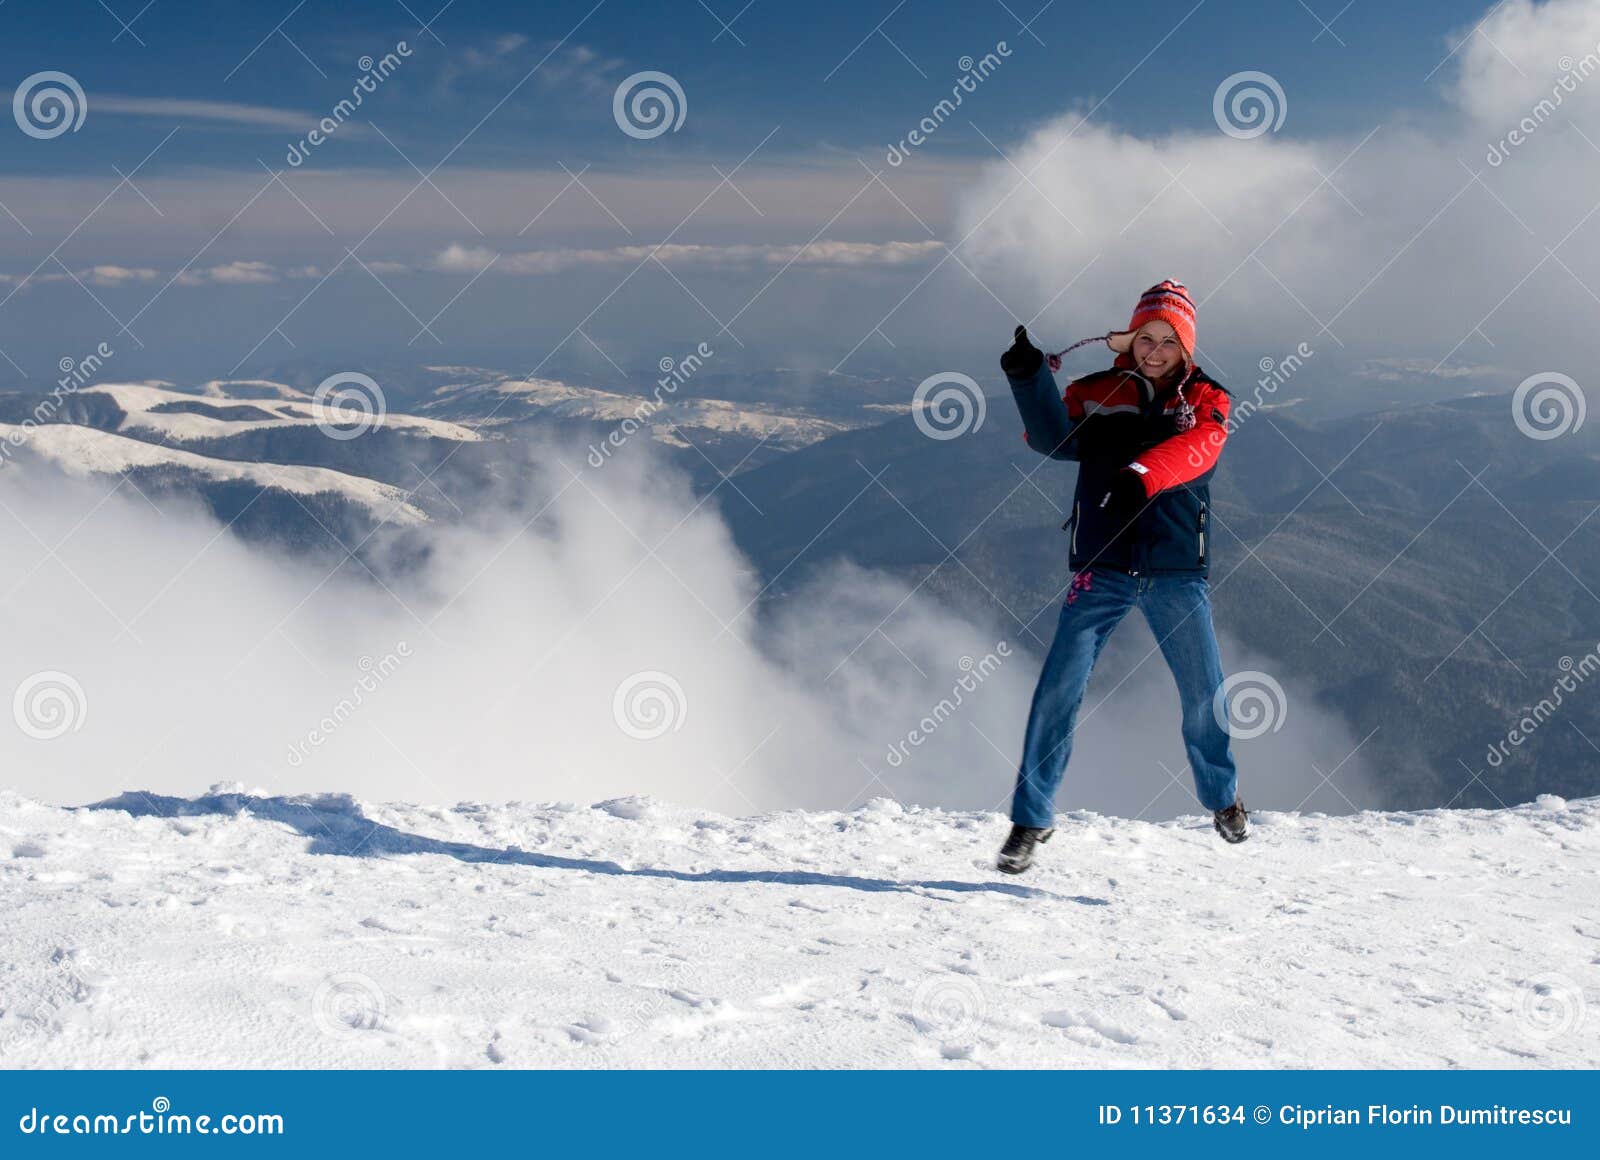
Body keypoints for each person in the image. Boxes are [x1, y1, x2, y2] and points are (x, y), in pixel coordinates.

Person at [996, 280, 1248, 875]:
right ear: (1131, 339)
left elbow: (1201, 447)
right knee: (1058, 688)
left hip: (1175, 571)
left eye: (1168, 340)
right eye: (1146, 337)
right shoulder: (1096, 392)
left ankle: (1222, 799)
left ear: (1185, 348)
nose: (1154, 350)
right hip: (1101, 567)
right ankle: (1031, 819)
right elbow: (1052, 440)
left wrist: (1142, 473)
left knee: (1203, 697)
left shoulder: (1207, 398)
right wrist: (1028, 379)